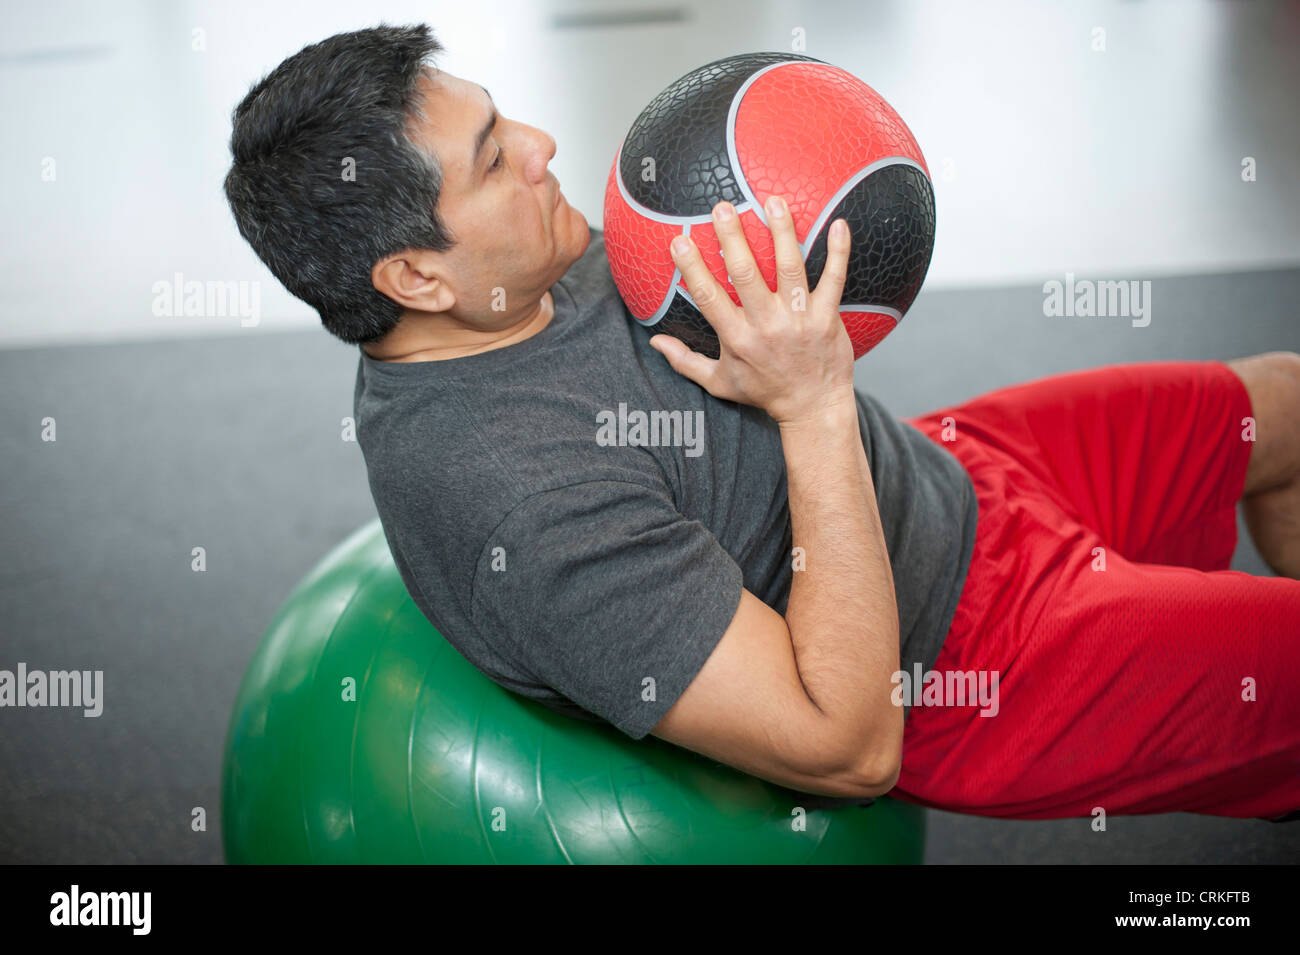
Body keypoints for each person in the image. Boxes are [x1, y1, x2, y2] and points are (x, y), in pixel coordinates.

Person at [223, 24, 1300, 822]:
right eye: (497, 158)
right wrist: (815, 402)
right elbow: (847, 742)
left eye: (506, 120)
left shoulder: (516, 275)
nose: (546, 144)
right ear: (414, 274)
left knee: (1283, 403)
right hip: (976, 653)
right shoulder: (519, 501)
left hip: (948, 471)